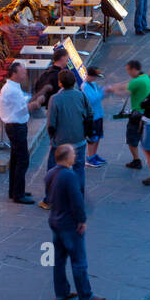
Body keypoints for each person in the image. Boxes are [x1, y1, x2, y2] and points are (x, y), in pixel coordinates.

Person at [46, 144, 102, 300]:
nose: (75, 157)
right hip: (69, 224)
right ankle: (86, 295)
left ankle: (61, 292)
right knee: (79, 262)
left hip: (55, 220)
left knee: (58, 260)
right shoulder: (69, 176)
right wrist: (81, 220)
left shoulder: (50, 173)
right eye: (73, 154)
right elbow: (77, 201)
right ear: (66, 157)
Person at [0, 62, 43, 204]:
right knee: (23, 160)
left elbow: (24, 101)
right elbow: (25, 108)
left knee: (16, 159)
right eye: (23, 73)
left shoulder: (13, 87)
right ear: (15, 74)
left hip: (15, 125)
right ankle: (18, 194)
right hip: (16, 127)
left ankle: (15, 191)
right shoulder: (11, 90)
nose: (25, 75)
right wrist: (38, 102)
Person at [46, 69, 90, 203]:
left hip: (60, 142)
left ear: (60, 83)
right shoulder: (81, 96)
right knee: (79, 169)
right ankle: (78, 196)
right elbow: (90, 113)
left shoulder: (55, 99)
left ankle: (50, 198)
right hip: (79, 139)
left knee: (53, 168)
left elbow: (51, 123)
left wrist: (52, 139)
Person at [103, 59, 150, 170]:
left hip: (137, 113)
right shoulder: (145, 77)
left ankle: (136, 160)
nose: (128, 73)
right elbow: (128, 84)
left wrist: (113, 90)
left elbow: (124, 93)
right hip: (147, 112)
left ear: (134, 69)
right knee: (147, 137)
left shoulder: (137, 82)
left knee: (132, 138)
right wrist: (116, 83)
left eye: (128, 70)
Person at [81, 67, 107, 167]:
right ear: (91, 76)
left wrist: (105, 92)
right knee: (92, 138)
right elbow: (92, 100)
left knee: (98, 136)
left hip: (98, 114)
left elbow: (99, 96)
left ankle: (94, 154)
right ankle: (90, 157)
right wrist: (103, 92)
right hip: (92, 117)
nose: (96, 79)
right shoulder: (85, 86)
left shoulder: (94, 84)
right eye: (95, 77)